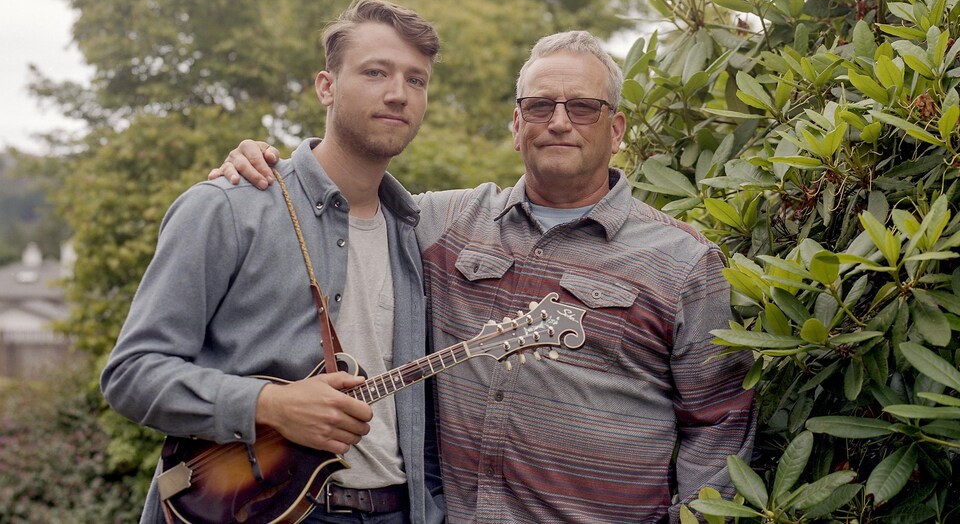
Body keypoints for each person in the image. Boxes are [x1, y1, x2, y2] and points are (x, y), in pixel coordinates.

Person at [215, 31, 757, 522]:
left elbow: (720, 425)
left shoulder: (683, 260)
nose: (560, 121)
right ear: (516, 125)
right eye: (539, 105)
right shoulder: (438, 223)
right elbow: (340, 190)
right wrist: (262, 168)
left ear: (616, 130)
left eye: (584, 108)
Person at [101, 0, 445, 524]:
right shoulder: (228, 206)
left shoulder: (422, 231)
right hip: (257, 511)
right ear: (326, 86)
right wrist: (269, 406)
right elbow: (131, 374)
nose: (398, 93)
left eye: (415, 80)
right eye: (375, 72)